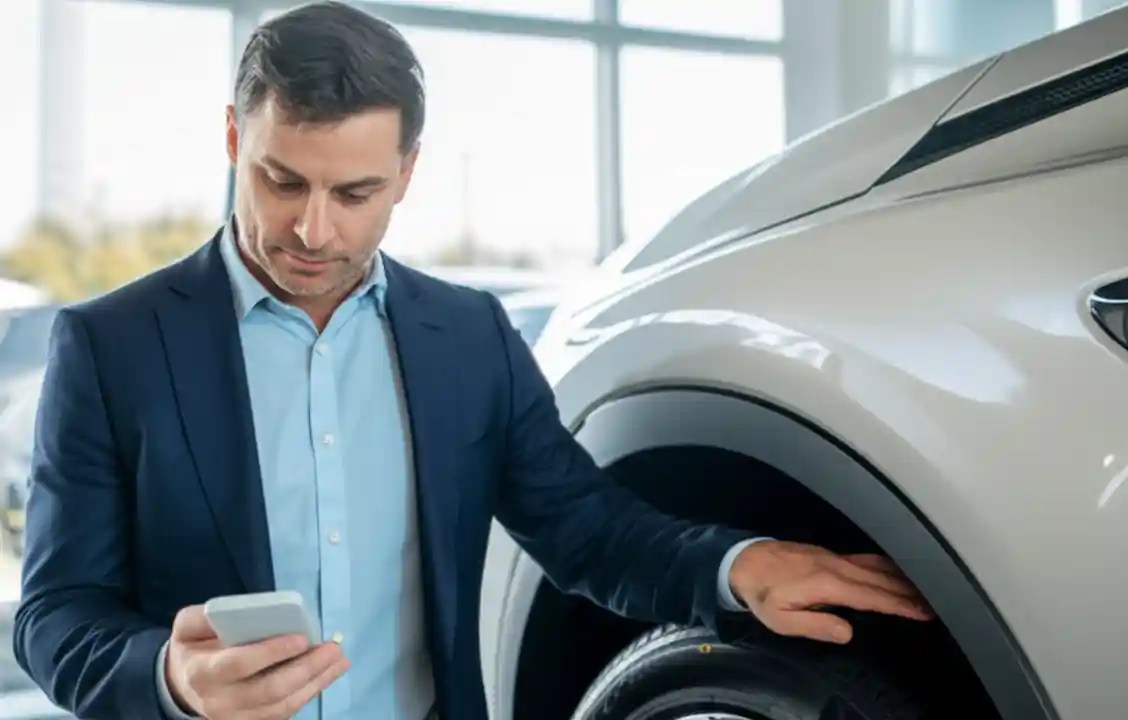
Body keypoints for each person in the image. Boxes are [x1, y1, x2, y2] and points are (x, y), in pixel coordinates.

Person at [12, 2, 934, 719]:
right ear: (232, 140)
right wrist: (172, 676)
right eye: (280, 179)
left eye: (357, 191)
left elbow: (586, 531)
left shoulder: (468, 337)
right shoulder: (113, 346)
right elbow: (55, 618)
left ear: (407, 173)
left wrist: (738, 566)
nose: (312, 227)